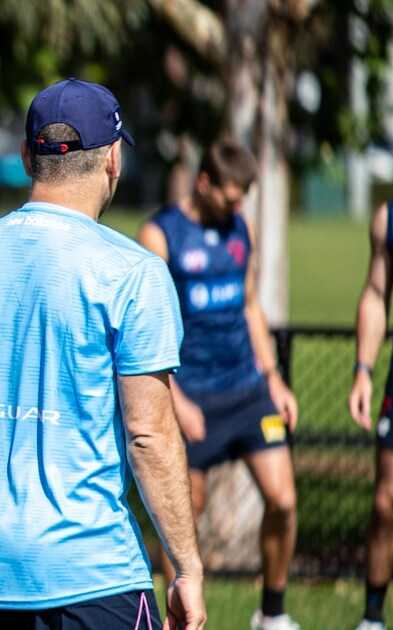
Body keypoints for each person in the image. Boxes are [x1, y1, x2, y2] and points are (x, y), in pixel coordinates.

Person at [0, 78, 205, 630]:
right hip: (91, 578)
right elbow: (147, 434)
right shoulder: (133, 272)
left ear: (28, 156)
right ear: (113, 160)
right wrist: (187, 569)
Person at [137, 140, 299, 630]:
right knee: (184, 515)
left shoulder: (239, 230)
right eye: (231, 196)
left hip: (248, 389)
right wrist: (175, 398)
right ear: (203, 182)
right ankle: (177, 614)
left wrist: (274, 379)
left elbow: (250, 306)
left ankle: (271, 614)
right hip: (192, 395)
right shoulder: (160, 234)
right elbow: (144, 328)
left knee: (284, 500)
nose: (238, 206)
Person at [348, 199, 393, 630]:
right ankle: (372, 616)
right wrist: (363, 370)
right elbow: (376, 295)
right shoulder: (390, 219)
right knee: (389, 500)